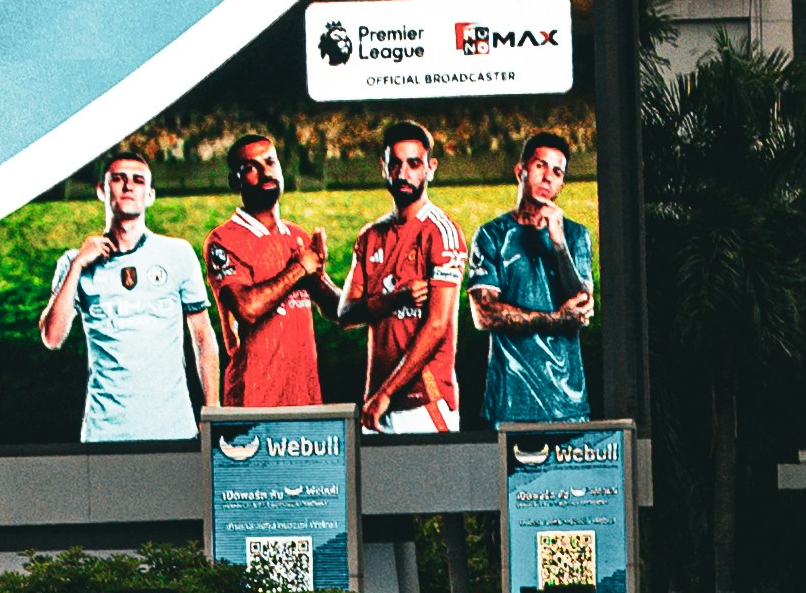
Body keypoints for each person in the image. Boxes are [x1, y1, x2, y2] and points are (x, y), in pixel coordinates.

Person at [38, 139, 215, 446]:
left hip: (173, 428)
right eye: (118, 179)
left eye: (138, 180)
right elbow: (52, 338)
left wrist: (213, 414)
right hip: (105, 434)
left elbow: (203, 336)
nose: (128, 186)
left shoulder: (177, 254)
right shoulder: (73, 261)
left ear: (151, 195)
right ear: (101, 191)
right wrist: (79, 264)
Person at [464, 130, 598, 427]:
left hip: (567, 404)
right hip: (509, 404)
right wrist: (554, 319)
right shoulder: (491, 235)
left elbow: (582, 309)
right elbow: (484, 315)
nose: (548, 177)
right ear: (520, 170)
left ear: (562, 183)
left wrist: (558, 243)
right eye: (540, 166)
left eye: (557, 171)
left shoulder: (575, 235)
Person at [343, 119, 465, 436]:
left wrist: (386, 393)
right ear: (384, 168)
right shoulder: (370, 236)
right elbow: (346, 313)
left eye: (413, 164)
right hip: (377, 406)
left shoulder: (442, 232)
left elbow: (437, 325)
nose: (403, 173)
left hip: (424, 404)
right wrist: (396, 298)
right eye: (395, 164)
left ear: (430, 167)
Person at [205, 128, 333, 406]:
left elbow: (336, 310)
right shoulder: (223, 240)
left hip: (305, 399)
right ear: (234, 182)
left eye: (270, 162)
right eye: (251, 167)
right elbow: (247, 309)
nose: (265, 172)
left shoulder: (298, 236)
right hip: (254, 399)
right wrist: (299, 269)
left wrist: (319, 276)